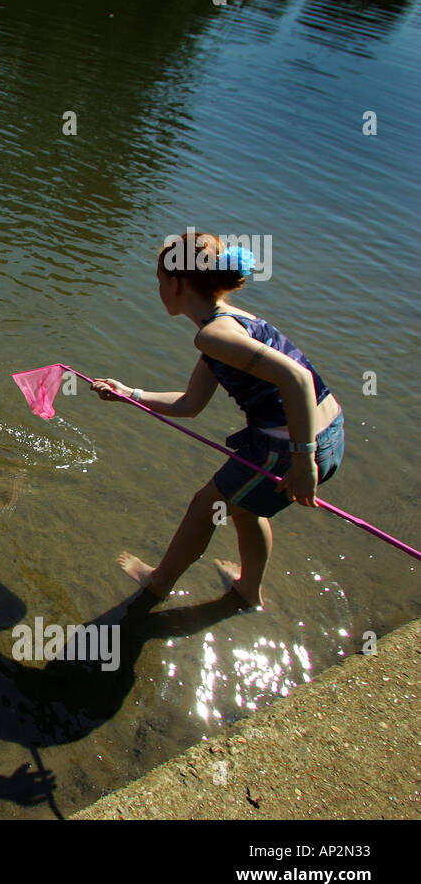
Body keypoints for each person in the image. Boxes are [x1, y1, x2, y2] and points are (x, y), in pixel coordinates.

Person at [92, 231, 344, 608]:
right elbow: (190, 403)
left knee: (205, 507)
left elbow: (298, 378)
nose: (158, 289)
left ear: (176, 283)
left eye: (160, 281)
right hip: (329, 430)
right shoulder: (227, 325)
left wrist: (304, 460)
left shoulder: (214, 335)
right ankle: (247, 589)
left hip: (291, 448)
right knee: (245, 508)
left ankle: (157, 582)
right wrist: (130, 394)